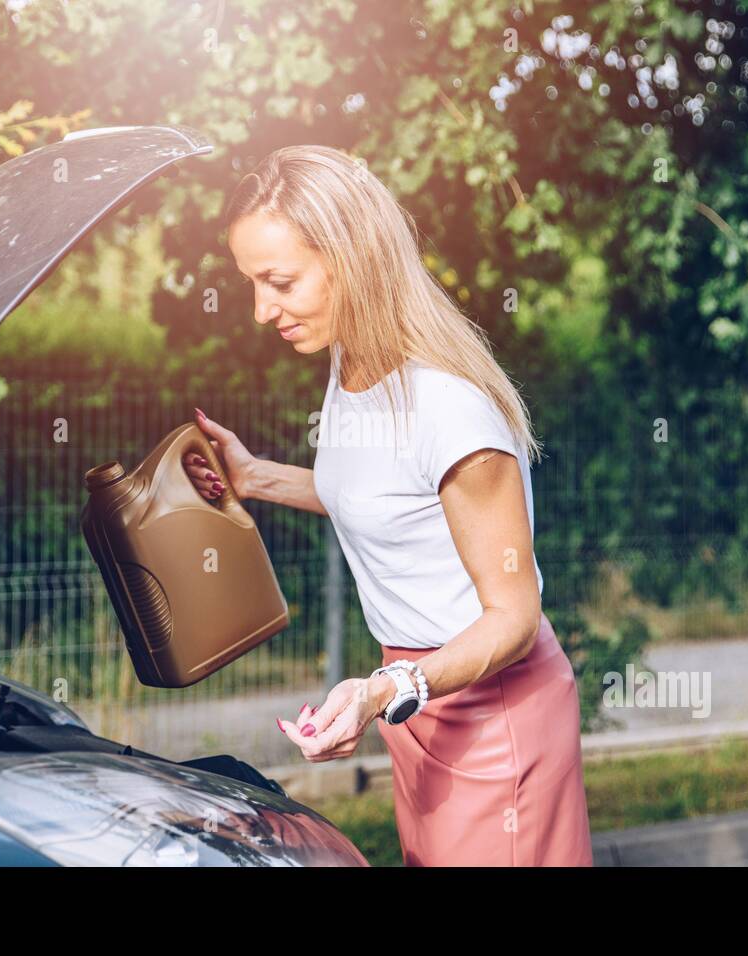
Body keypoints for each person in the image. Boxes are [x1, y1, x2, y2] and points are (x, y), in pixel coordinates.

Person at [183, 145, 593, 867]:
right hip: (418, 700)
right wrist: (257, 478)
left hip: (489, 707)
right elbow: (387, 499)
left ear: (351, 257)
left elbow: (515, 617)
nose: (259, 311)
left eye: (278, 281)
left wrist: (390, 688)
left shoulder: (449, 409)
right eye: (251, 283)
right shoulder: (353, 362)